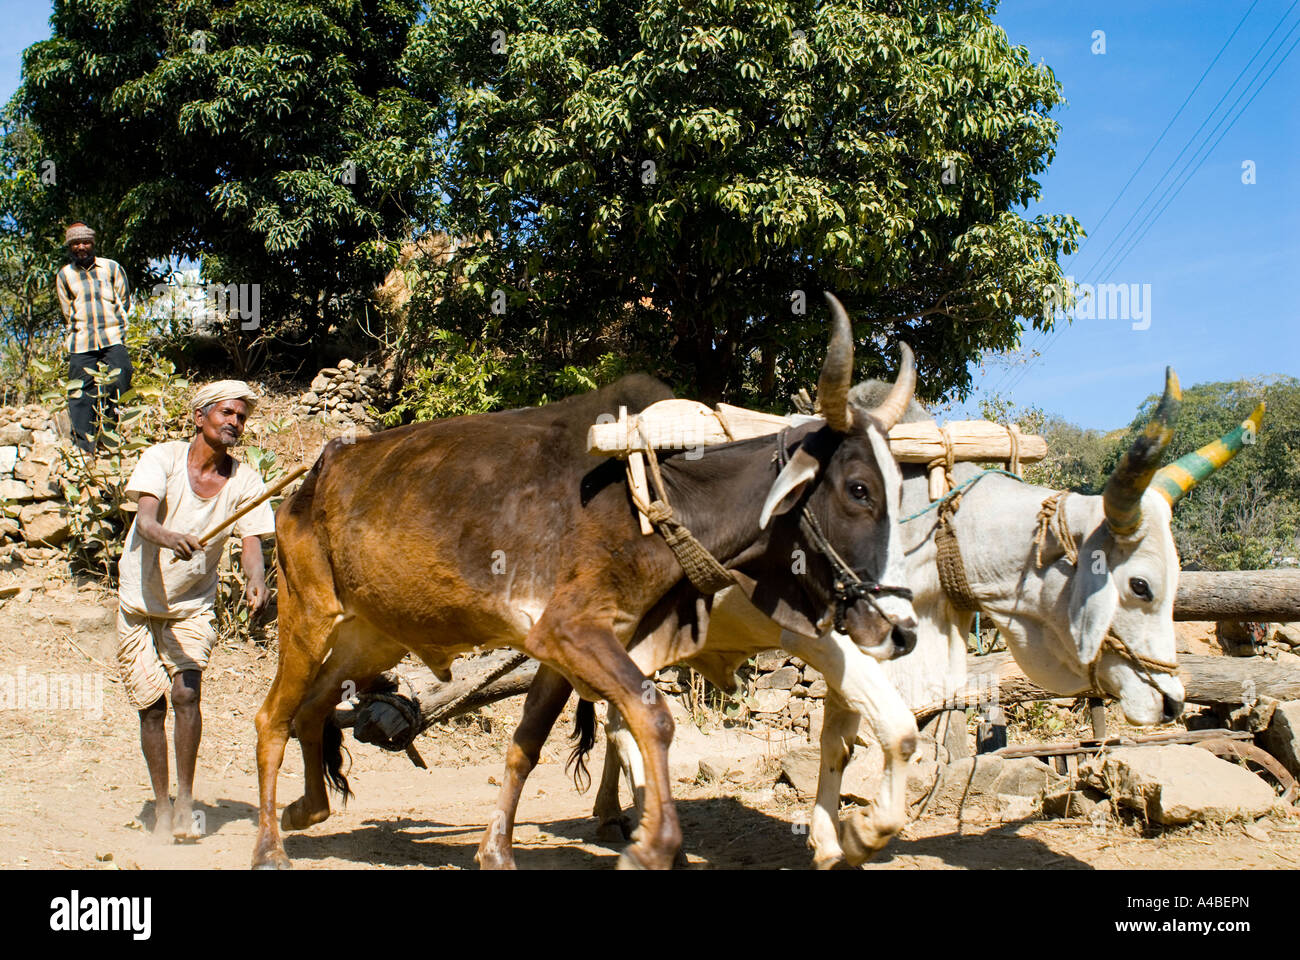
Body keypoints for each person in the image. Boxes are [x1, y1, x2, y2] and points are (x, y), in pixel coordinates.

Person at [116, 380, 274, 841]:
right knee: (150, 707)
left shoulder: (245, 480)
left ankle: (185, 802)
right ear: (199, 416)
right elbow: (145, 522)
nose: (234, 423)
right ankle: (161, 804)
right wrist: (170, 537)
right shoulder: (161, 459)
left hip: (192, 605)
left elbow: (251, 541)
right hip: (139, 602)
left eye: (241, 417)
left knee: (186, 694)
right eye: (227, 413)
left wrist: (256, 579)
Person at [55, 222, 133, 451]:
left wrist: (116, 323)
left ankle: (109, 435)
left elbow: (124, 300)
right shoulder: (65, 275)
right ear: (70, 246)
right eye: (76, 243)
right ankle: (84, 447)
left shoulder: (111, 268)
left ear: (93, 243)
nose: (81, 247)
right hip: (81, 342)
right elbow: (66, 310)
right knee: (79, 392)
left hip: (112, 337)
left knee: (122, 377)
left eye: (85, 242)